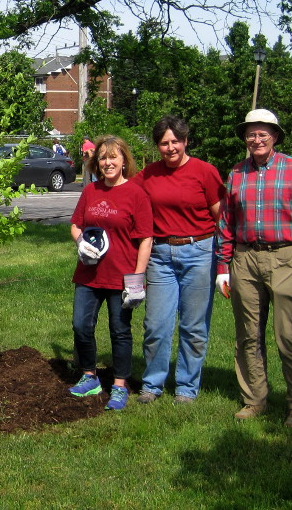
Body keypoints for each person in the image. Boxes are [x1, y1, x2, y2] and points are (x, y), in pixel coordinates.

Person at [215, 109, 292, 428]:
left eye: (263, 133)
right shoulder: (237, 174)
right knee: (248, 334)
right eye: (251, 134)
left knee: (291, 332)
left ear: (275, 136)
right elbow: (226, 224)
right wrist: (223, 266)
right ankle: (254, 399)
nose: (257, 139)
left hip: (286, 258)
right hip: (245, 259)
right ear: (245, 139)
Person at [131, 116, 225, 405]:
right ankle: (153, 383)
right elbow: (124, 191)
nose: (170, 148)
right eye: (163, 143)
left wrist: (226, 258)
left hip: (199, 253)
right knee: (156, 325)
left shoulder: (205, 172)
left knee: (194, 327)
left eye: (175, 141)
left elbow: (221, 215)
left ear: (185, 141)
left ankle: (186, 386)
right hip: (160, 257)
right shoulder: (148, 175)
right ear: (157, 145)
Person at [68, 135, 153, 410]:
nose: (108, 162)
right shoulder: (90, 192)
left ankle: (119, 384)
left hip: (122, 275)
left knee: (119, 330)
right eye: (103, 158)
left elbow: (146, 239)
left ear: (124, 160)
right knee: (81, 325)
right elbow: (75, 224)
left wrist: (138, 278)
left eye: (113, 157)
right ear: (97, 162)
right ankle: (90, 375)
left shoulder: (136, 194)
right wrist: (81, 242)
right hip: (89, 274)